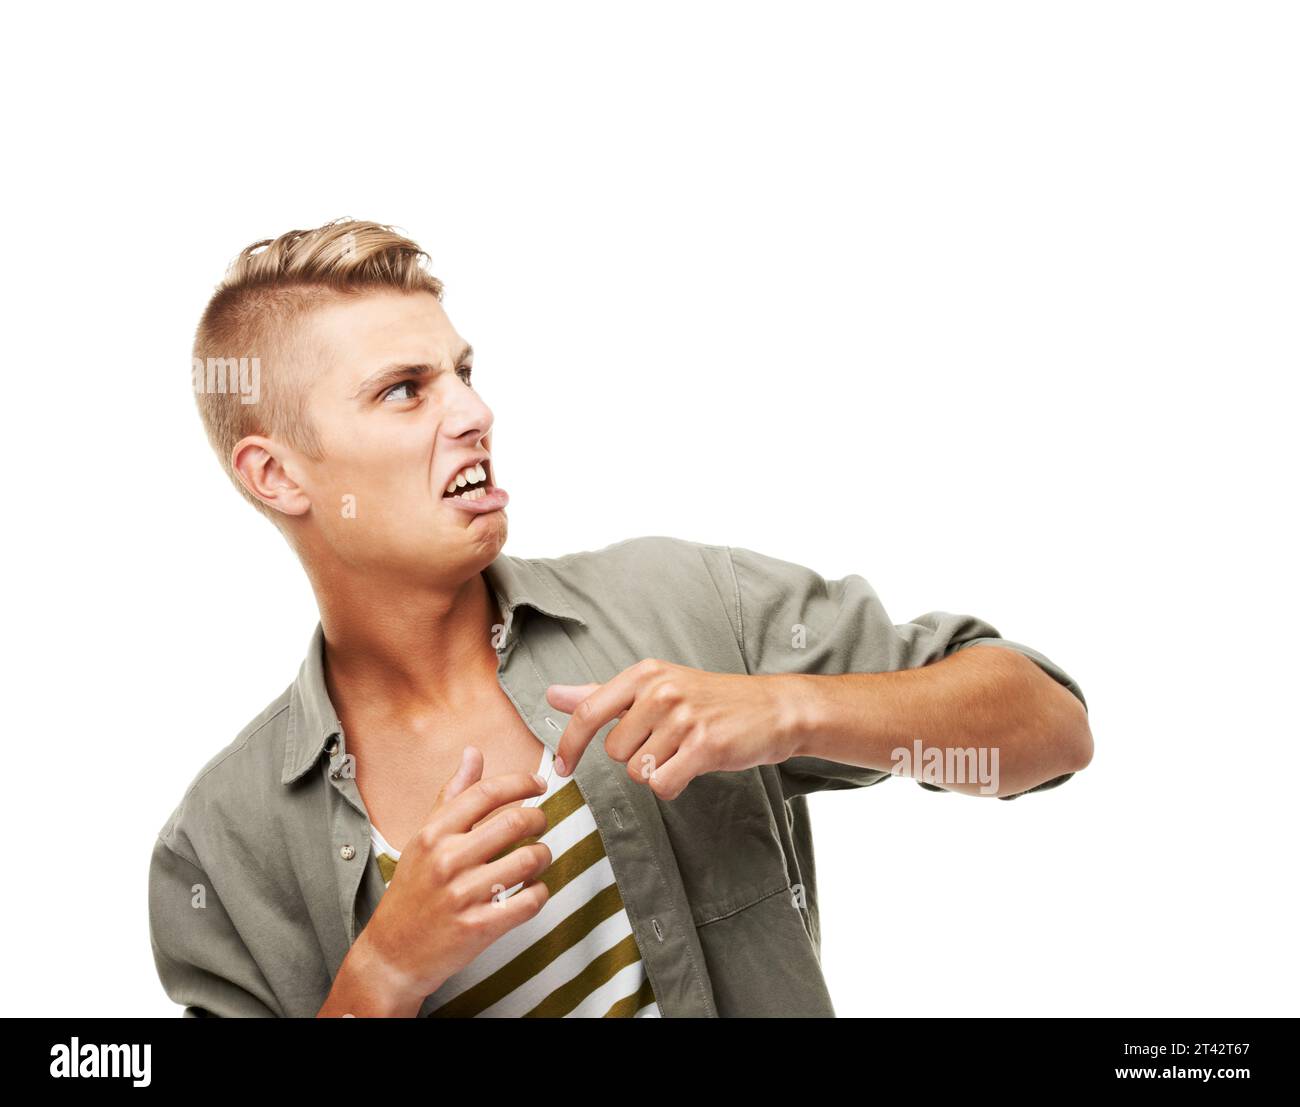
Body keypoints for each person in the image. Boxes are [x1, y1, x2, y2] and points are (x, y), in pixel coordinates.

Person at [149, 218, 1093, 1018]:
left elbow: (1051, 729)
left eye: (463, 371)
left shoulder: (679, 602)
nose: (476, 410)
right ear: (277, 474)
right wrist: (383, 973)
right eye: (406, 389)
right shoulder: (222, 847)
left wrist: (790, 707)